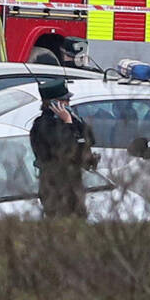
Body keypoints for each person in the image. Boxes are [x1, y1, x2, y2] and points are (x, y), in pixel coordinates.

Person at [28, 77, 97, 218]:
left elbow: (90, 139)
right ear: (54, 103)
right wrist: (68, 123)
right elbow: (66, 149)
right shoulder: (42, 126)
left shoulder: (69, 120)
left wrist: (73, 121)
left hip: (74, 183)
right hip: (55, 187)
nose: (68, 103)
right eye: (65, 101)